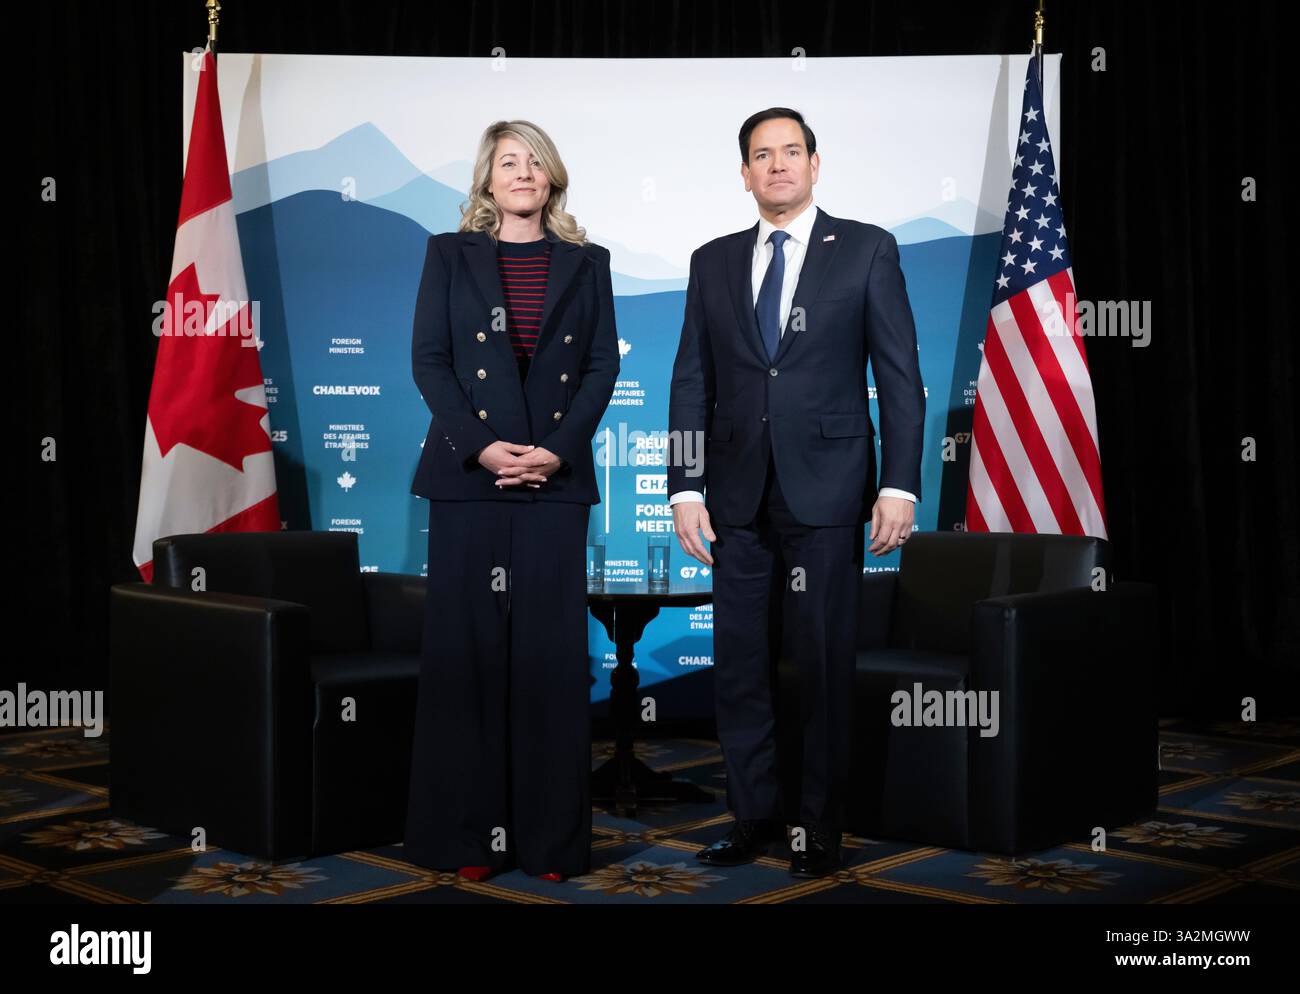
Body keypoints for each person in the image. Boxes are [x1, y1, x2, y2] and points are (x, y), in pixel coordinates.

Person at [667, 107, 925, 877]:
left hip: (831, 493)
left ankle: (817, 828)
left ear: (815, 164)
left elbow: (899, 378)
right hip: (738, 503)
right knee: (742, 669)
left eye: (790, 152)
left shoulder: (868, 251)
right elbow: (690, 382)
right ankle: (752, 819)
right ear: (744, 174)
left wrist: (900, 483)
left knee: (819, 667)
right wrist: (685, 485)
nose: (776, 165)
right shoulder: (712, 261)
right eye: (760, 155)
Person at [404, 120, 619, 882]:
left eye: (533, 161)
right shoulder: (447, 253)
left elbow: (599, 368)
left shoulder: (588, 263)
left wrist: (556, 450)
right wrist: (483, 446)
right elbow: (430, 361)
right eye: (507, 161)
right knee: (468, 660)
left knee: (549, 663)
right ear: (487, 181)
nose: (522, 172)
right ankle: (470, 841)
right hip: (468, 479)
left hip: (554, 484)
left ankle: (551, 844)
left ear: (551, 177)